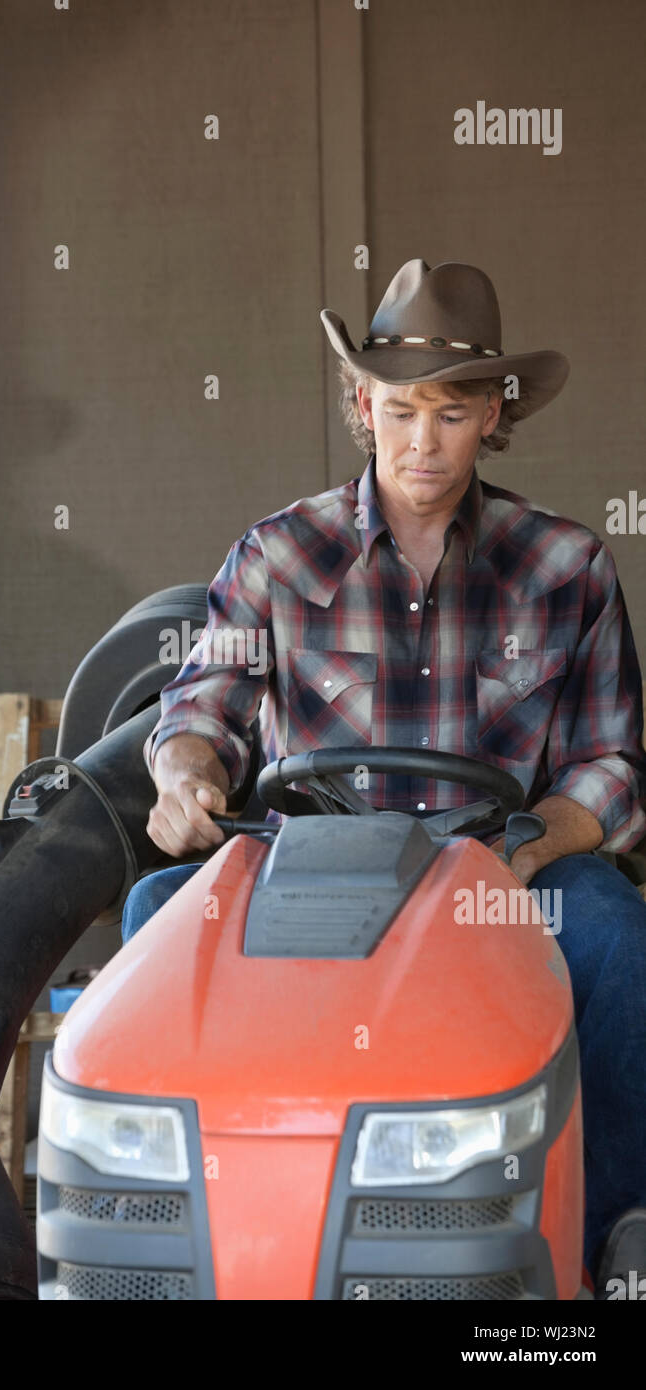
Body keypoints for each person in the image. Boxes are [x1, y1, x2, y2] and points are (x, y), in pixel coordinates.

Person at [123, 258, 646, 1295]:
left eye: (450, 412)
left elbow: (613, 768)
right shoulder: (275, 556)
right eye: (400, 409)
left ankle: (611, 1241)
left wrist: (529, 844)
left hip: (502, 876)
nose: (422, 440)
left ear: (493, 412)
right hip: (308, 875)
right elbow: (198, 716)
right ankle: (180, 1244)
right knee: (151, 911)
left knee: (618, 936)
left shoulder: (567, 565)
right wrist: (185, 779)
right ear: (362, 404)